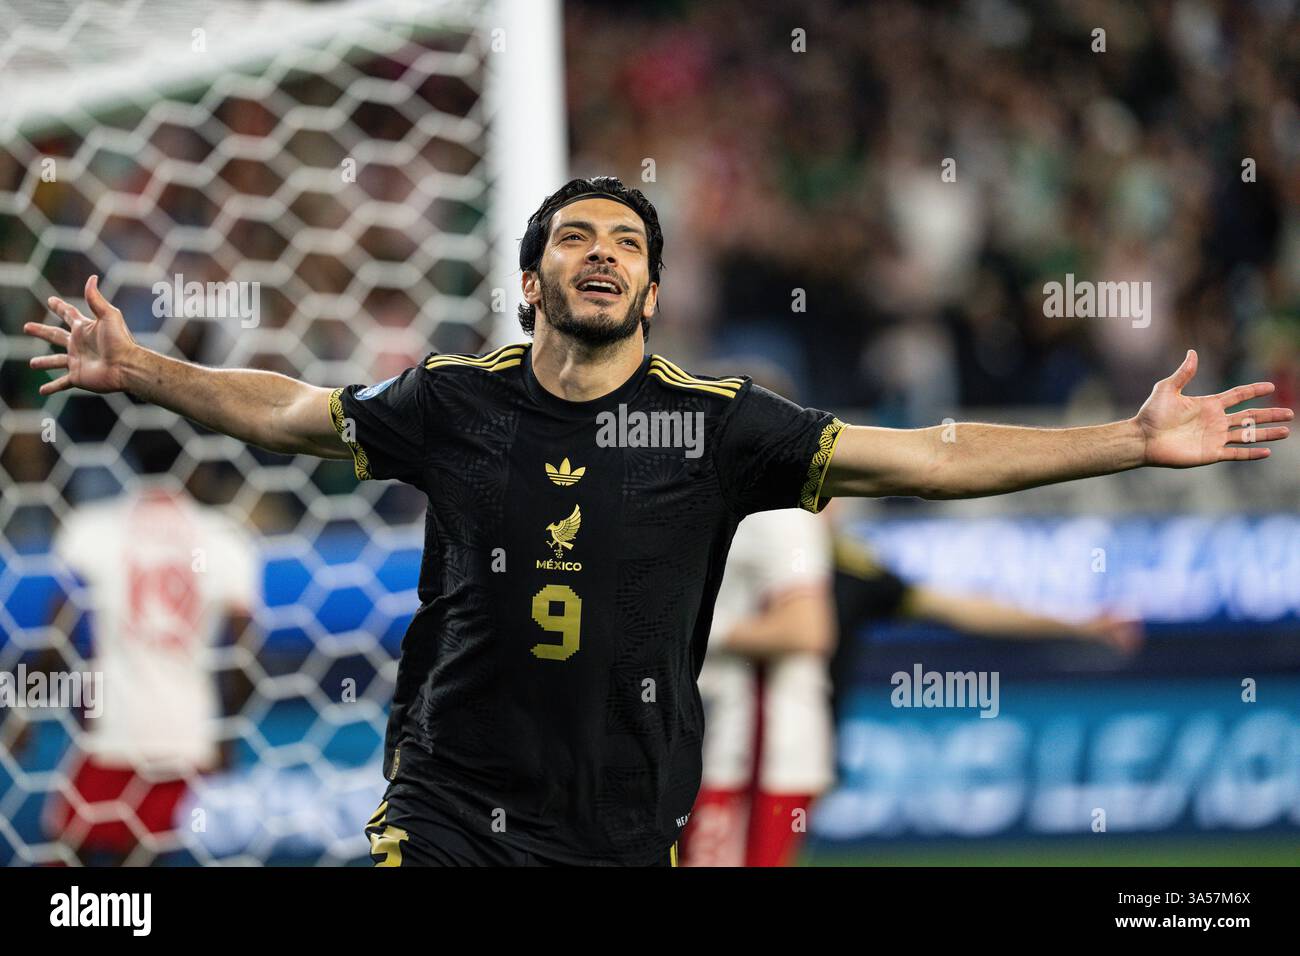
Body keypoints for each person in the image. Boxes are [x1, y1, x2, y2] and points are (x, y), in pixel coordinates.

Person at [24, 175, 1291, 866]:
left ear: (651, 285)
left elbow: (937, 453)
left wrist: (1125, 440)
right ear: (530, 281)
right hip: (450, 799)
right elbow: (294, 411)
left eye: (625, 241)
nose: (601, 252)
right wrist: (150, 373)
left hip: (624, 822)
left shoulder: (722, 422)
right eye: (574, 236)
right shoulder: (450, 401)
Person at [682, 498, 1141, 868]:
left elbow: (957, 608)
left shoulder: (849, 569)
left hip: (767, 757)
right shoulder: (725, 552)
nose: (831, 505)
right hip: (708, 749)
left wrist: (1079, 625)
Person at [38, 466, 257, 865]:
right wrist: (225, 736)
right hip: (188, 739)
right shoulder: (227, 538)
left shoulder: (92, 526)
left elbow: (55, 643)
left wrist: (24, 712)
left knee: (64, 857)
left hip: (116, 735)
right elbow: (242, 662)